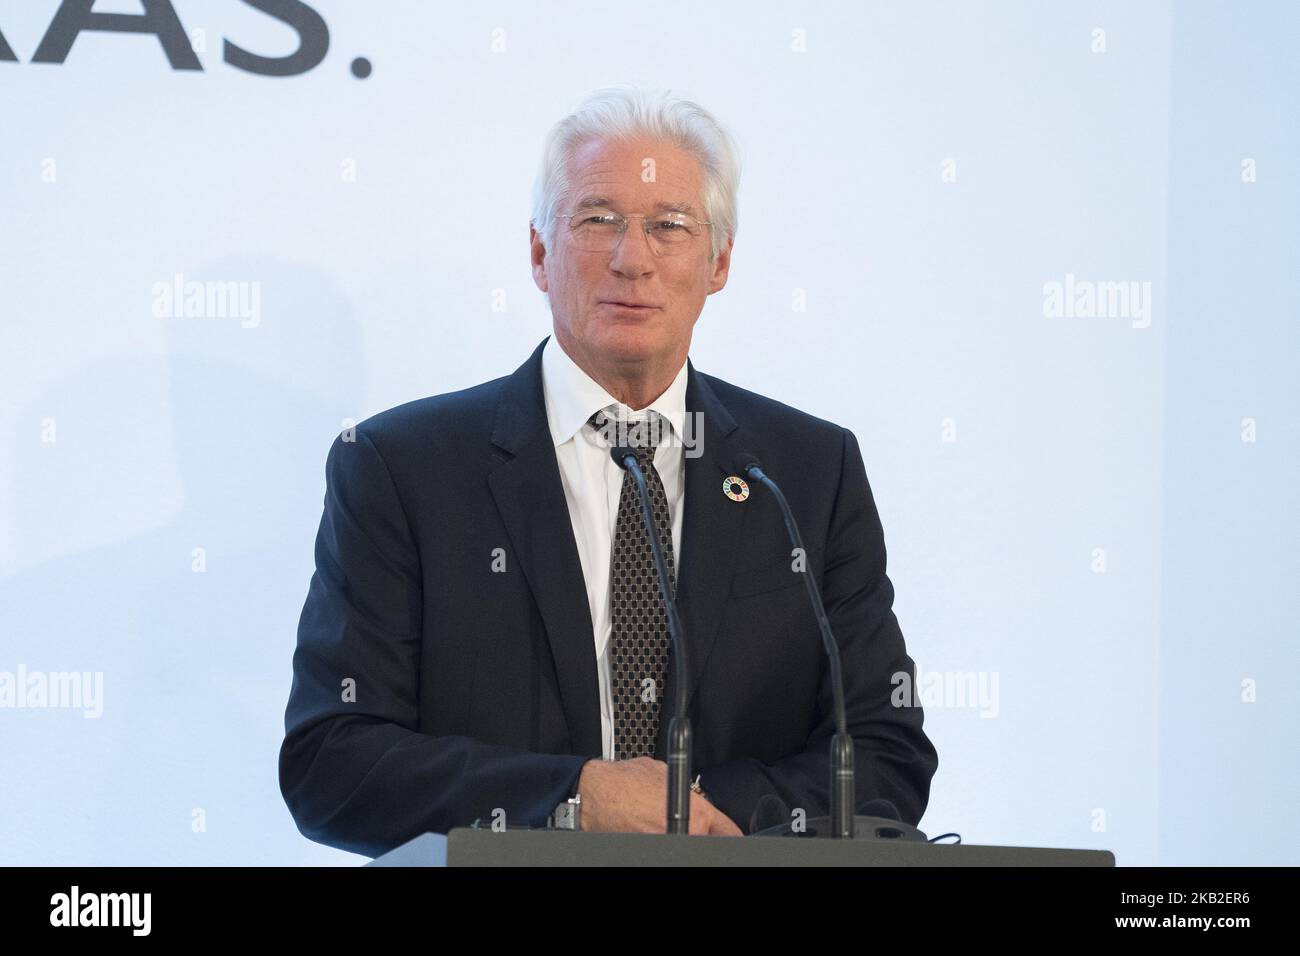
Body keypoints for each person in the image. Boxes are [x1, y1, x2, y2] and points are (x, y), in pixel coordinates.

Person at [279, 87, 938, 857]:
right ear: (537, 252)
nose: (634, 258)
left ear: (719, 261)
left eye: (670, 226)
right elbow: (333, 763)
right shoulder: (402, 469)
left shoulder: (807, 472)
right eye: (597, 220)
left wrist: (690, 815)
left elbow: (885, 754)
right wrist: (576, 797)